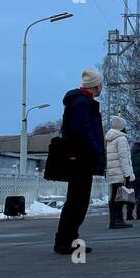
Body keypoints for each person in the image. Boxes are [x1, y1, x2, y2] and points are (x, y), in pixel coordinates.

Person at [53, 68, 106, 255]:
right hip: (80, 157)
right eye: (100, 84)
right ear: (96, 85)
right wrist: (96, 147)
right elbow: (83, 129)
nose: (102, 87)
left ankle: (70, 239)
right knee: (77, 201)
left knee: (77, 201)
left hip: (80, 156)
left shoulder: (80, 102)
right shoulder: (81, 103)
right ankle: (64, 241)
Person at [104, 115, 133, 229]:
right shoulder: (121, 138)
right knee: (120, 198)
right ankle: (118, 220)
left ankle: (113, 220)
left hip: (113, 171)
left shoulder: (110, 138)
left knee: (114, 197)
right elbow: (123, 157)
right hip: (121, 172)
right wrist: (127, 174)